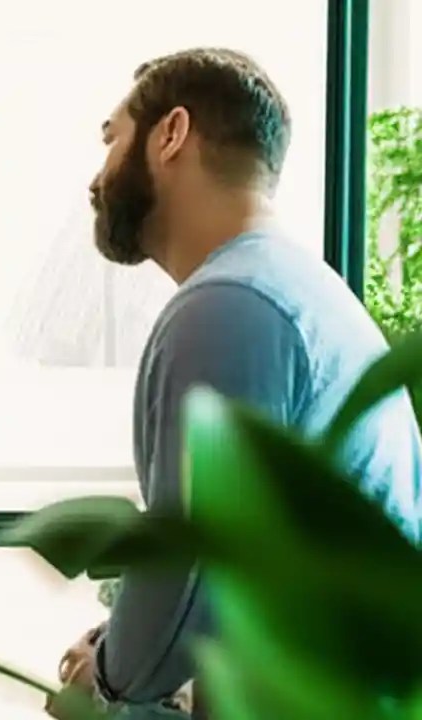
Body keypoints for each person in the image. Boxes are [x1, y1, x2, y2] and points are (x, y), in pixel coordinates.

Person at [50, 47, 422, 719]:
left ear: (171, 134)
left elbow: (189, 558)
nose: (97, 177)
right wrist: (117, 645)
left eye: (113, 139)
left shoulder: (228, 306)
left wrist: (107, 685)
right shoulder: (298, 290)